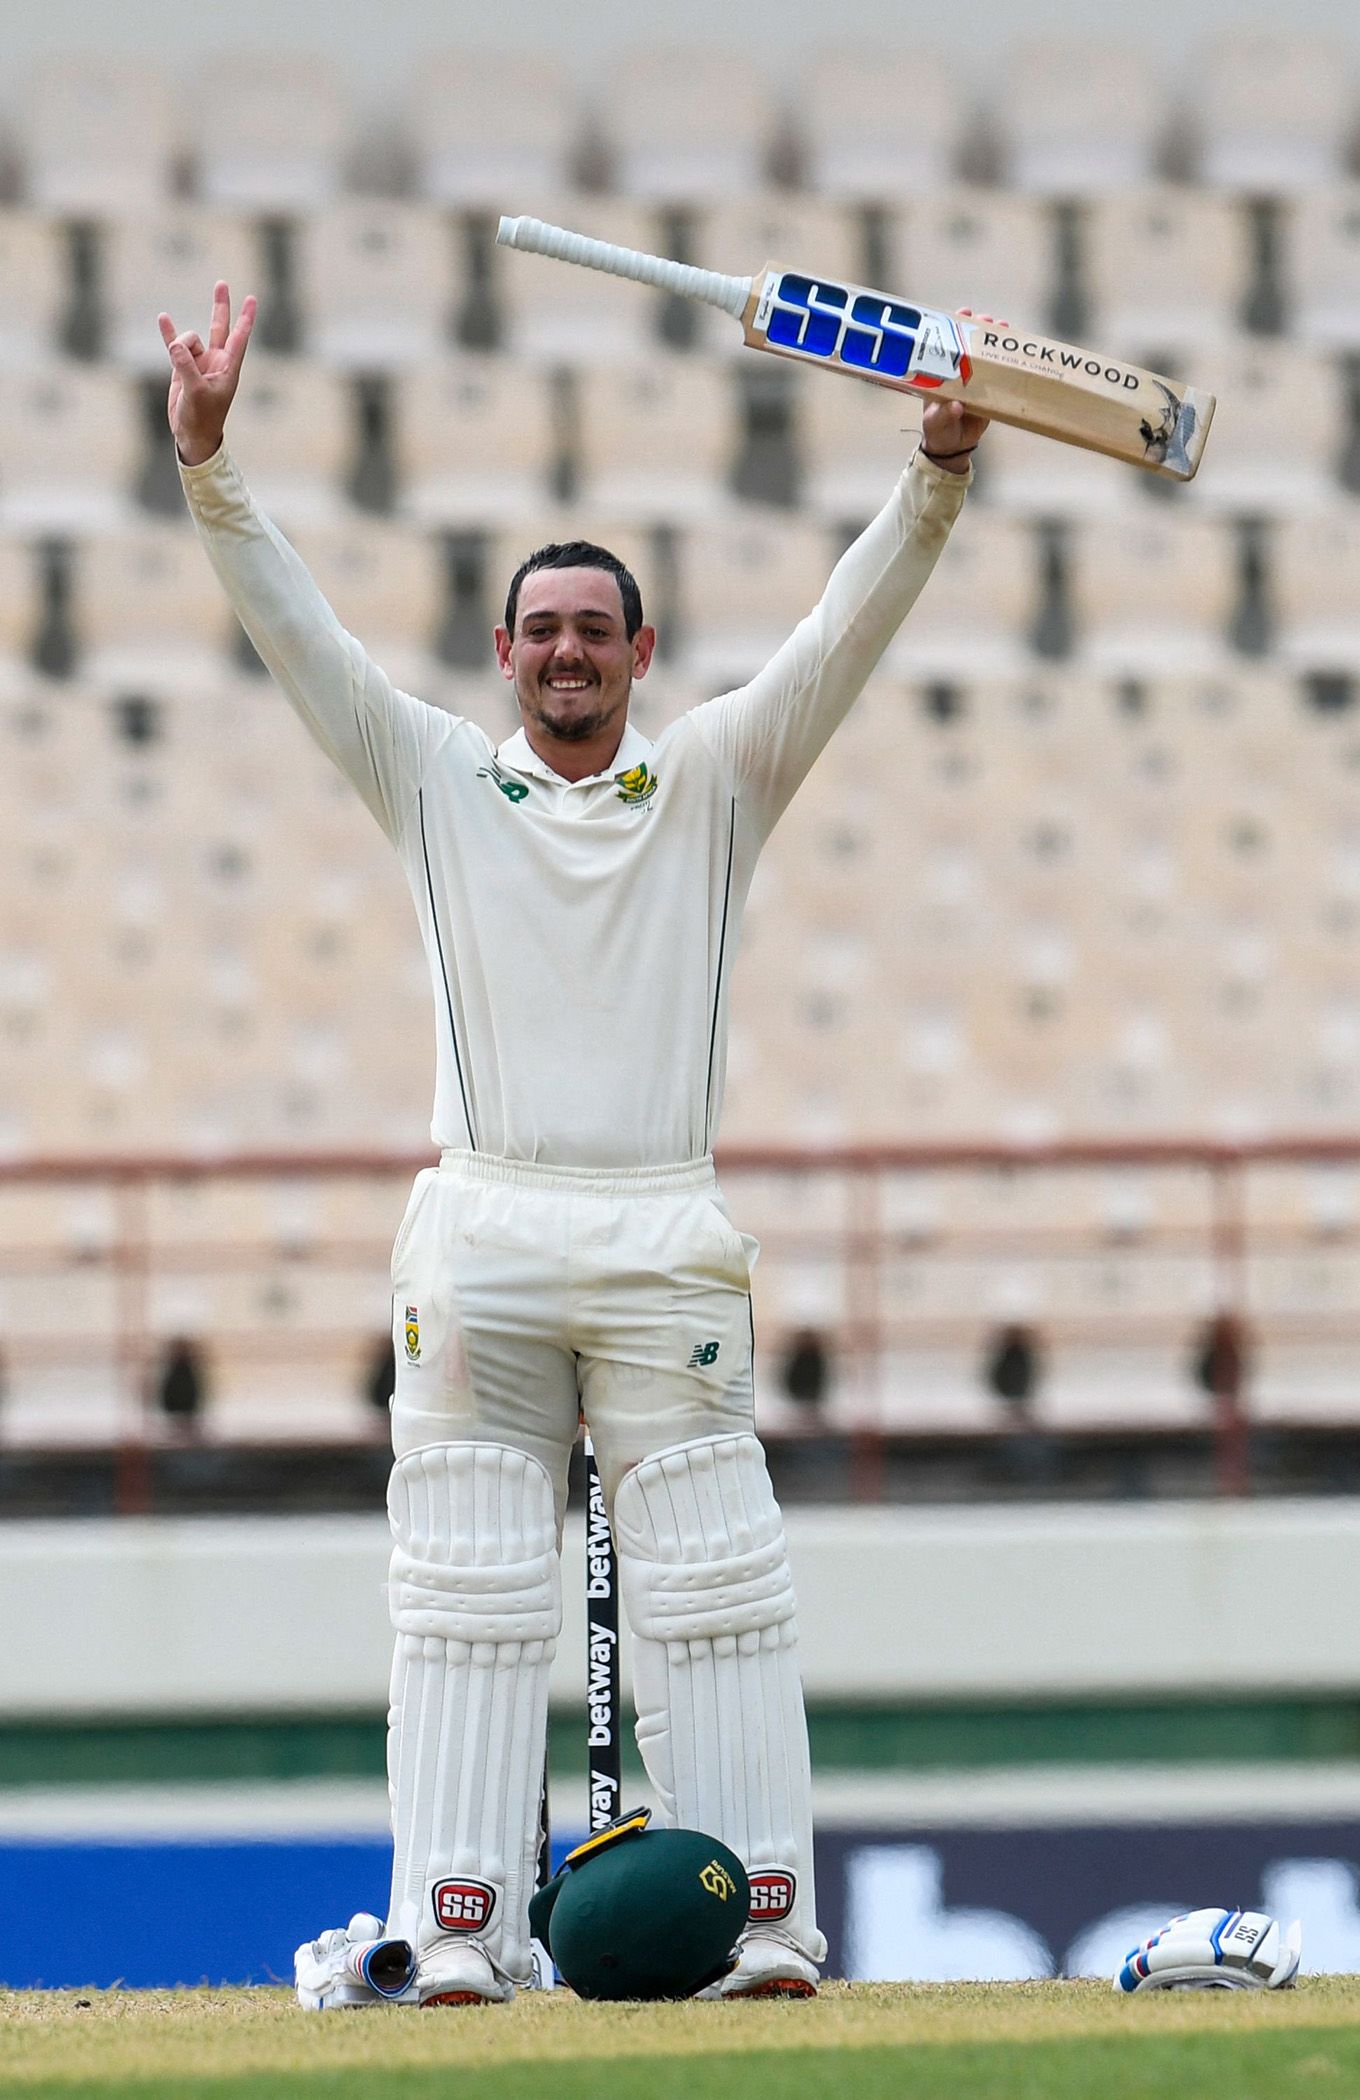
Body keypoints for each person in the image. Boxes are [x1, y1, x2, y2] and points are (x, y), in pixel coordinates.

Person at [159, 282, 985, 2007]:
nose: (564, 652)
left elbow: (839, 637)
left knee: (720, 1588)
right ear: (507, 652)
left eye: (594, 629)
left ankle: (765, 1923)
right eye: (540, 629)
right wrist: (213, 466)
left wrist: (933, 478)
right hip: (482, 1236)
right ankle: (455, 1931)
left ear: (641, 652)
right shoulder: (437, 780)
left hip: (662, 1229)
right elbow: (302, 639)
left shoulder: (714, 785)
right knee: (460, 1594)